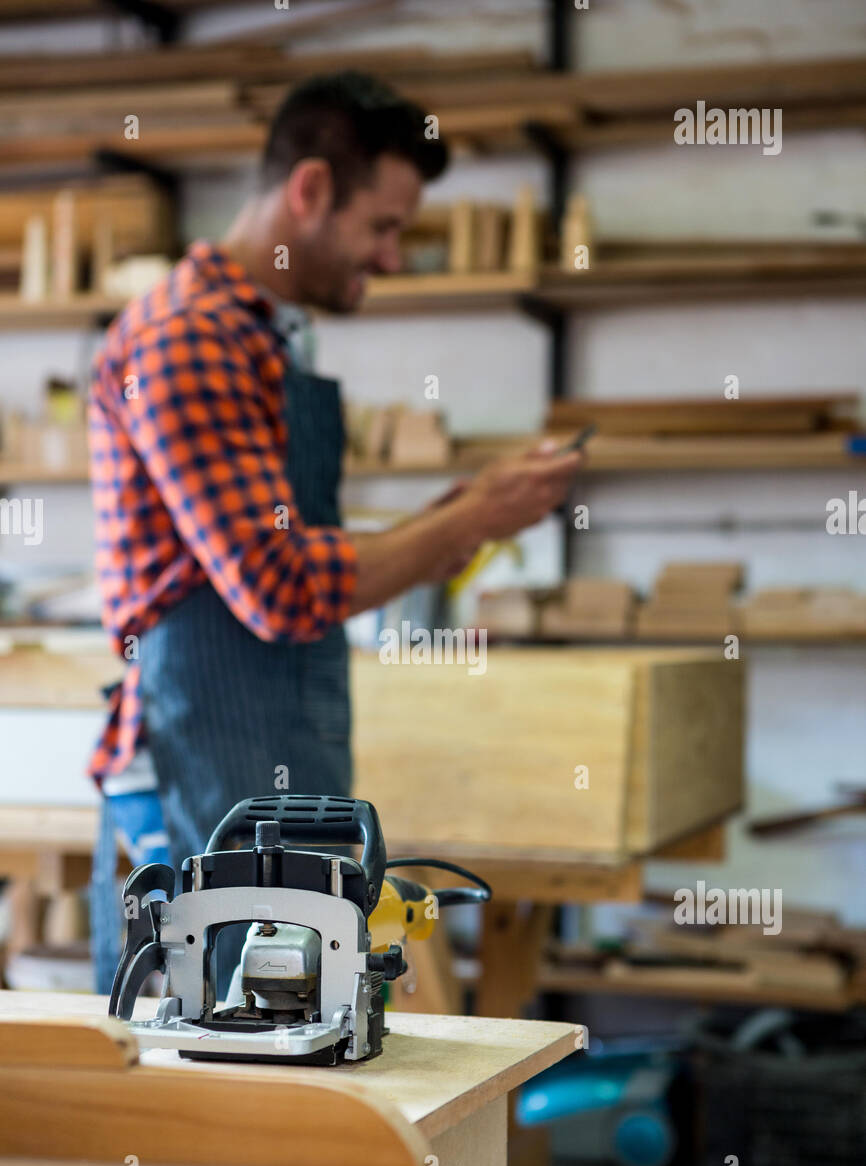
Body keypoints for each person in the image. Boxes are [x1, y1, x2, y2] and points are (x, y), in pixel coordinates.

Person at [88, 70, 585, 995]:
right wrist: (477, 518)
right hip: (207, 751)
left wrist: (455, 513)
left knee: (295, 1034)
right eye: (383, 227)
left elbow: (289, 550)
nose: (392, 259)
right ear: (310, 190)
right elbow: (279, 587)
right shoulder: (191, 339)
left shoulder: (262, 337)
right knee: (216, 1061)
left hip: (265, 748)